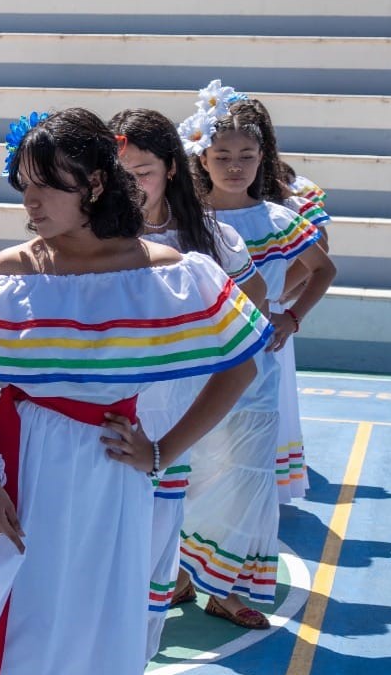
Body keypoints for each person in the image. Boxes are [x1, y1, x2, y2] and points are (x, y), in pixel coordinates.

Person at [0, 108, 268, 675]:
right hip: (22, 464)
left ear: (95, 183)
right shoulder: (11, 272)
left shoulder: (164, 272)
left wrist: (161, 452)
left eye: (48, 184)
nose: (31, 200)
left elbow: (240, 368)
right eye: (24, 184)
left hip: (111, 469)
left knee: (98, 610)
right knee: (22, 611)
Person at [110, 107, 268, 658]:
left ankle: (207, 590)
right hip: (120, 407)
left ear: (172, 168)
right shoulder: (95, 237)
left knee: (209, 495)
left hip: (192, 401)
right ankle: (134, 621)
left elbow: (254, 304)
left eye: (143, 172)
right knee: (127, 522)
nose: (132, 185)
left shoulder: (208, 237)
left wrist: (201, 347)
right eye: (120, 173)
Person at [176, 94, 336, 628]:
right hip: (196, 368)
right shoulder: (187, 220)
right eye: (222, 156)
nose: (235, 166)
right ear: (201, 158)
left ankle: (226, 588)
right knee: (193, 469)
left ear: (262, 157)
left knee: (246, 476)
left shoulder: (278, 218)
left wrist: (290, 315)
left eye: (246, 155)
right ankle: (183, 571)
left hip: (256, 370)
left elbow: (322, 268)